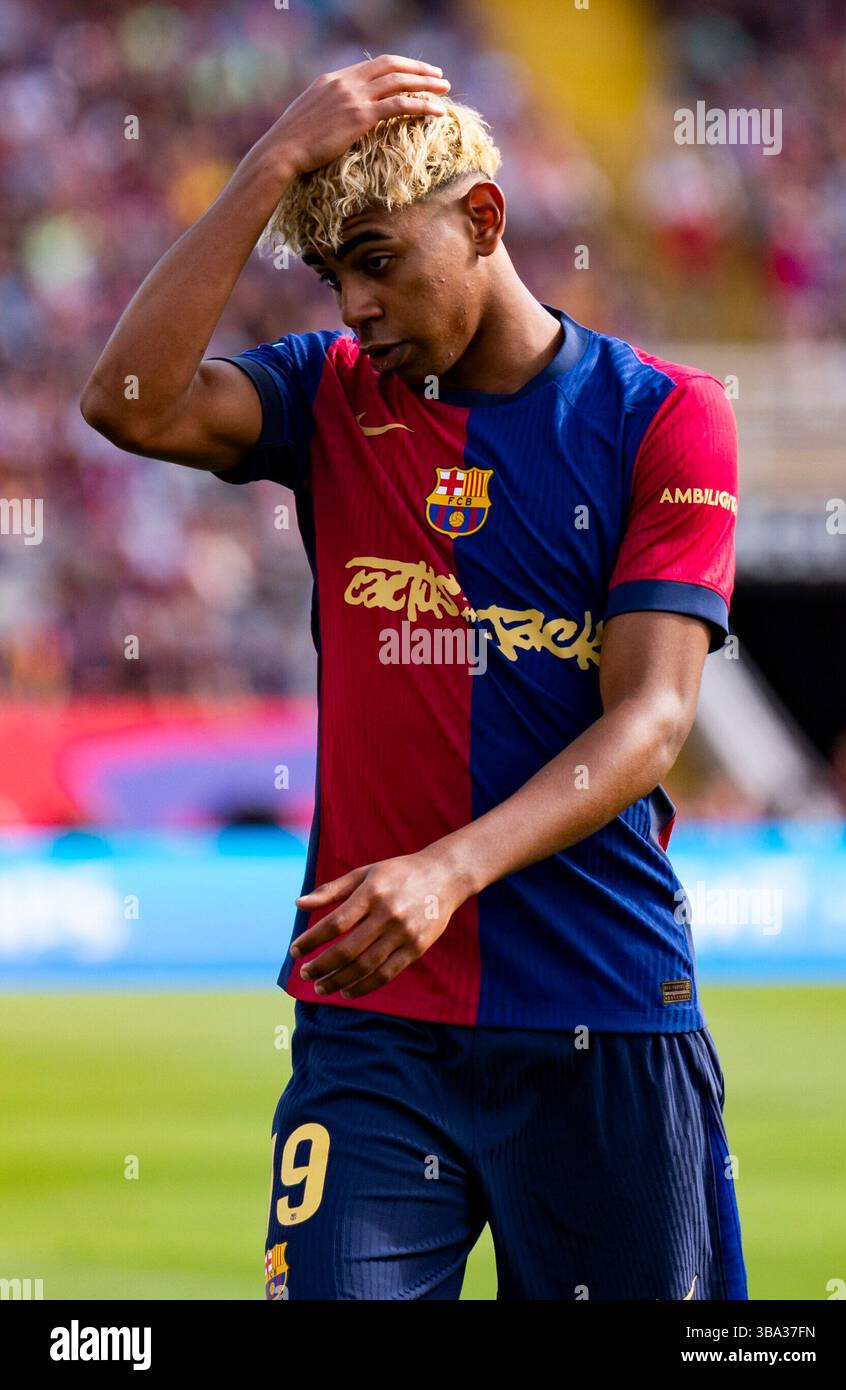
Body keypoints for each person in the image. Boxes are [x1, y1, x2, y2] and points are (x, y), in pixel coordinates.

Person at [81, 54, 747, 1301]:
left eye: (378, 262)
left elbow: (652, 718)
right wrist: (270, 159)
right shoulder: (326, 396)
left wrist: (447, 870)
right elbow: (125, 402)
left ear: (481, 220)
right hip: (372, 1027)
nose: (355, 309)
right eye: (334, 277)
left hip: (600, 1010)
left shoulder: (660, 416)